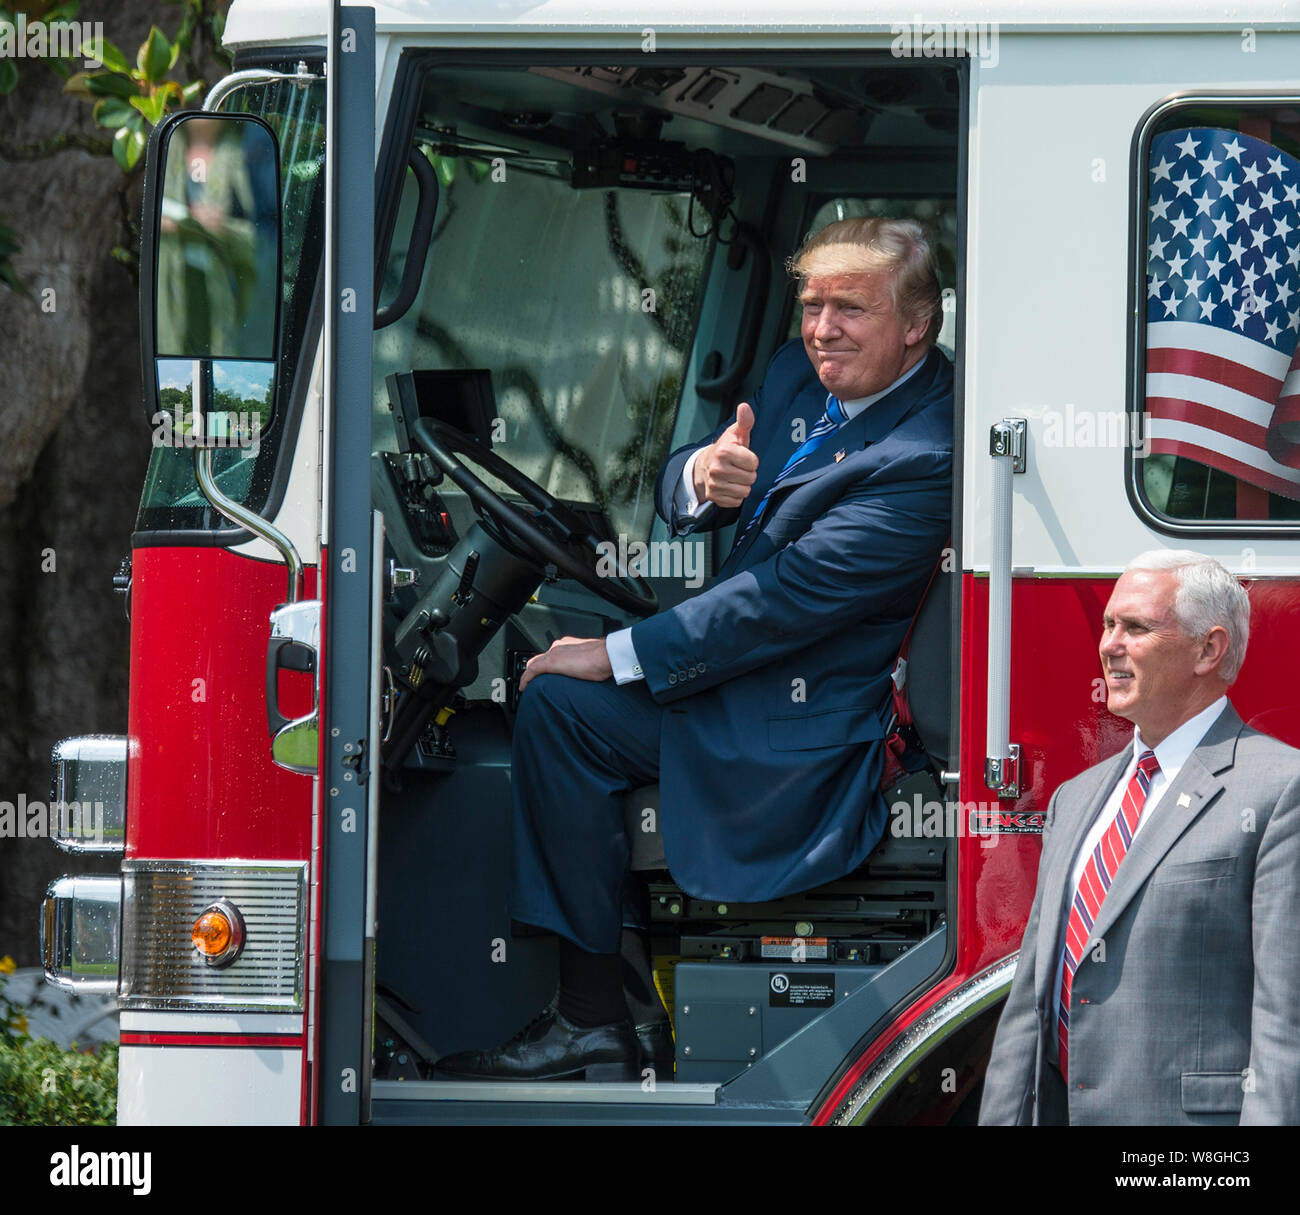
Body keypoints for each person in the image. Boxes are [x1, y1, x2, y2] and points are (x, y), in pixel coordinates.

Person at [435, 217, 954, 1081]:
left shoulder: (923, 453)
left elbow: (782, 604)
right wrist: (700, 475)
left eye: (851, 309)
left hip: (803, 719)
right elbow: (702, 473)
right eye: (812, 304)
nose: (823, 329)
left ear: (917, 324)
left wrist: (617, 653)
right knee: (562, 694)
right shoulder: (800, 372)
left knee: (562, 709)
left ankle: (590, 1015)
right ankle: (622, 998)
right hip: (745, 672)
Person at [980, 551, 1300, 1125]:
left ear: (1210, 648)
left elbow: (1287, 1022)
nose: (1109, 645)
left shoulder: (1281, 790)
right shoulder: (1074, 799)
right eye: (1107, 624)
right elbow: (1029, 1004)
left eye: (1136, 627)